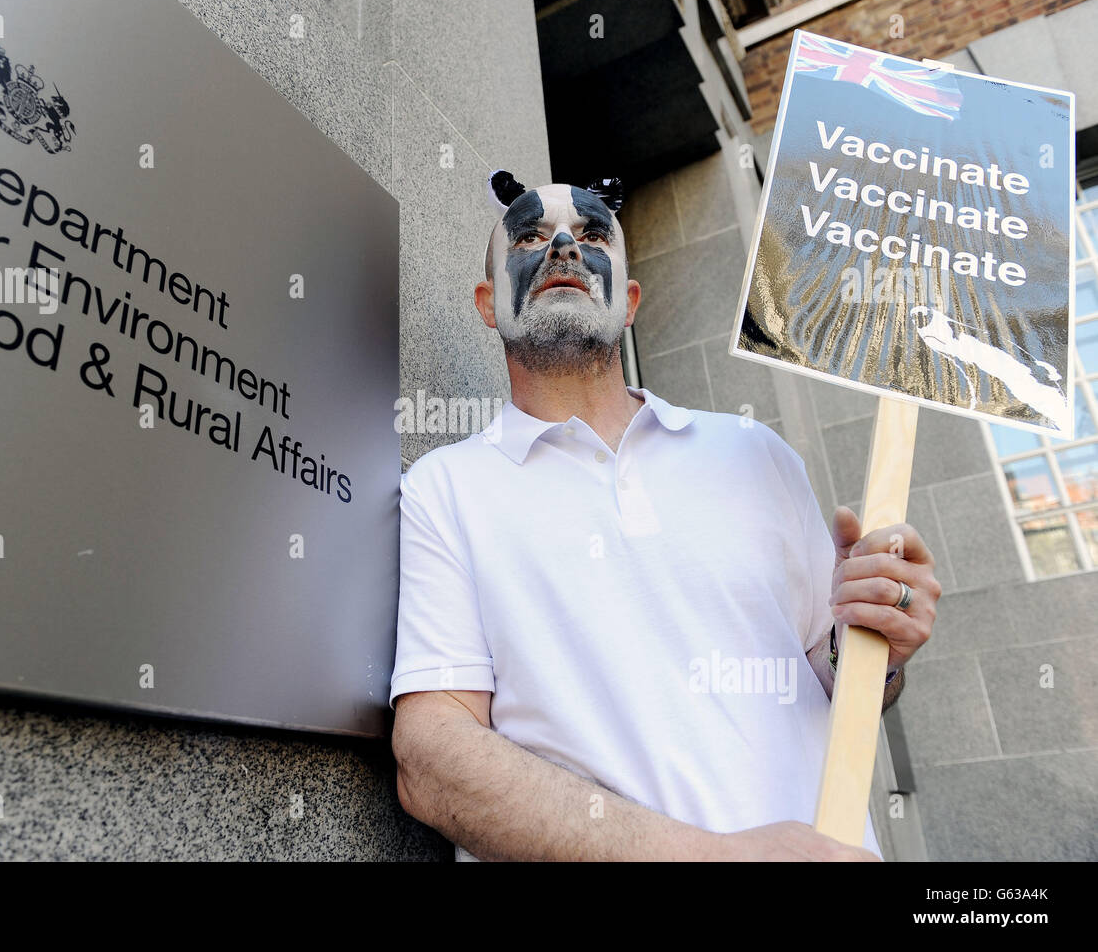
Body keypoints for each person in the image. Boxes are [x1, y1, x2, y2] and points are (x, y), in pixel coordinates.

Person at [388, 172, 941, 861]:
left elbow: (836, 680)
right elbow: (433, 758)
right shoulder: (446, 489)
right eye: (530, 235)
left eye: (592, 235)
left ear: (631, 303)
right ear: (486, 302)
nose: (564, 246)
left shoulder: (754, 453)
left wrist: (875, 645)